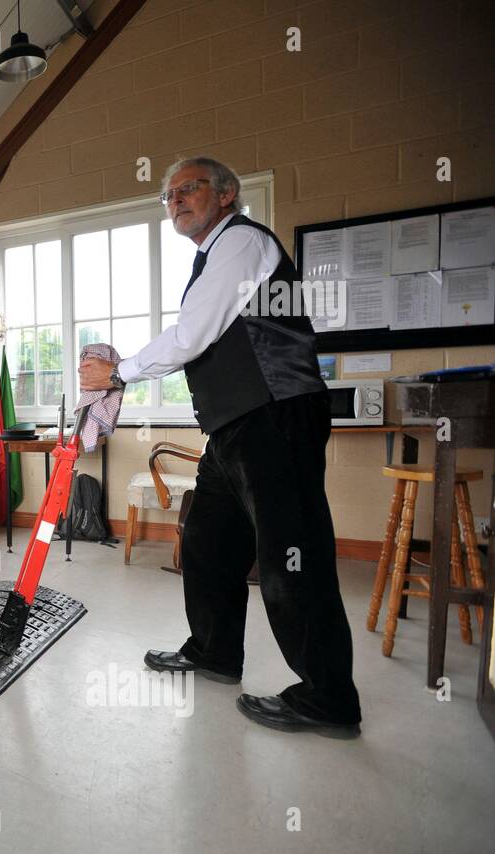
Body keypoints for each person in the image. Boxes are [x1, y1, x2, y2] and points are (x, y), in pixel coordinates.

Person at [78, 156, 361, 735]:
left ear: (227, 193)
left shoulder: (242, 243)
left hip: (275, 418)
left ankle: (328, 697)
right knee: (207, 541)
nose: (176, 199)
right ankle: (213, 651)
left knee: (291, 555)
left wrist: (119, 373)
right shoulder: (212, 258)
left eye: (190, 188)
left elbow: (193, 334)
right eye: (169, 195)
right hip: (234, 428)